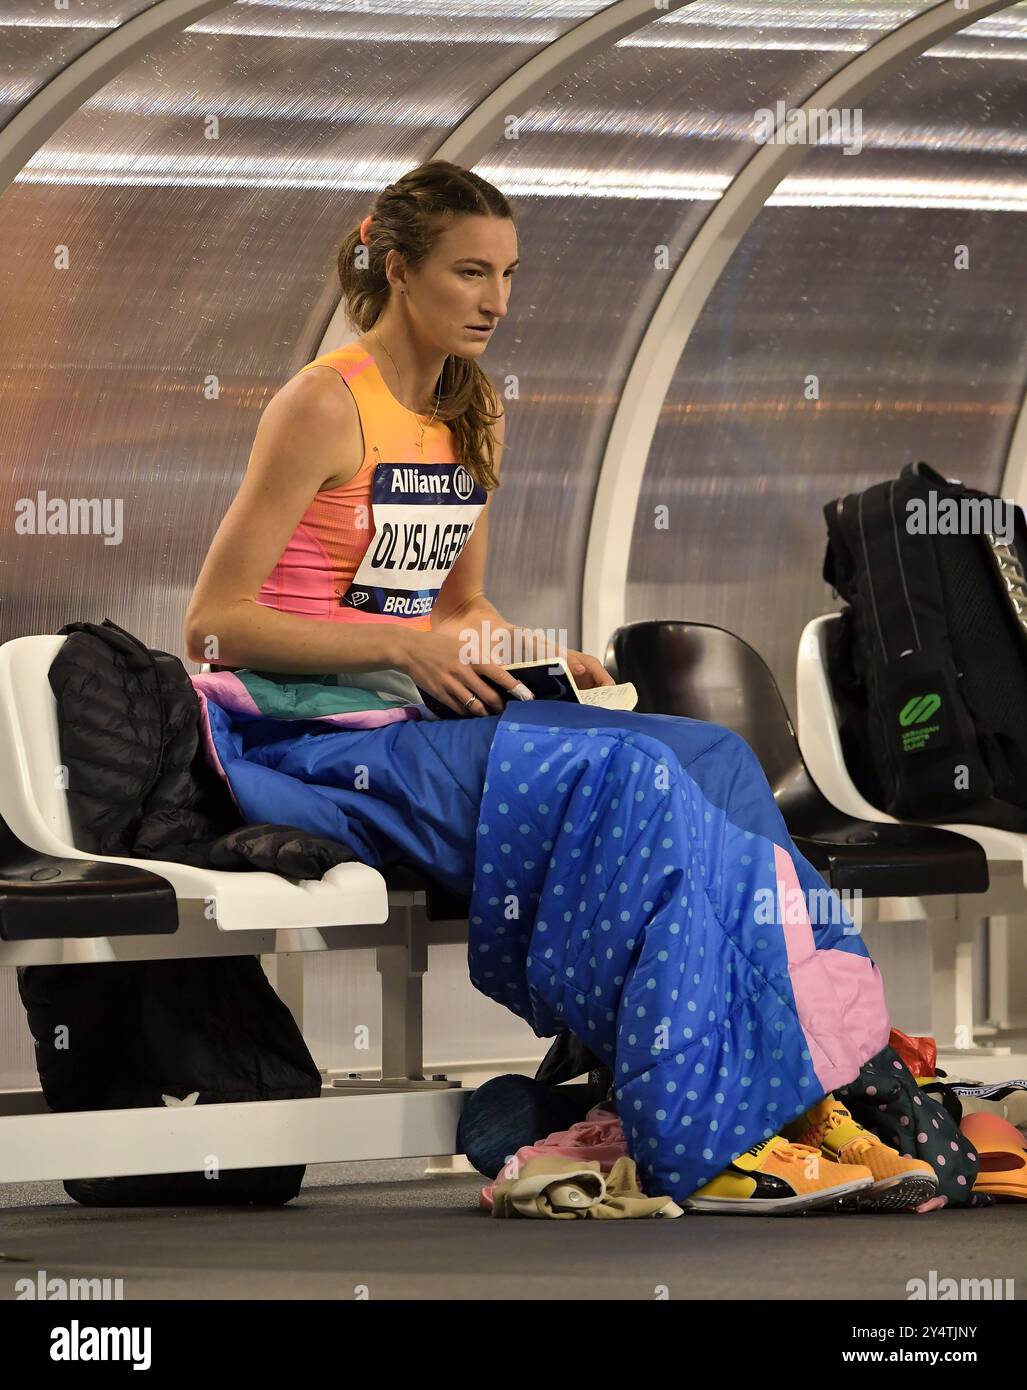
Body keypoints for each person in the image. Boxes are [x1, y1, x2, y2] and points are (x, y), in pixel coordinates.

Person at [183, 161, 918, 1214]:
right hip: (316, 742)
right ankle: (693, 1114)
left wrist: (540, 655)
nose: (496, 300)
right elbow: (213, 624)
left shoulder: (468, 409)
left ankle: (811, 1079)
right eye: (470, 272)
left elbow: (458, 612)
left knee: (706, 751)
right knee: (629, 775)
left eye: (509, 274)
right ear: (396, 269)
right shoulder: (321, 403)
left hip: (422, 714)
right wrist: (395, 653)